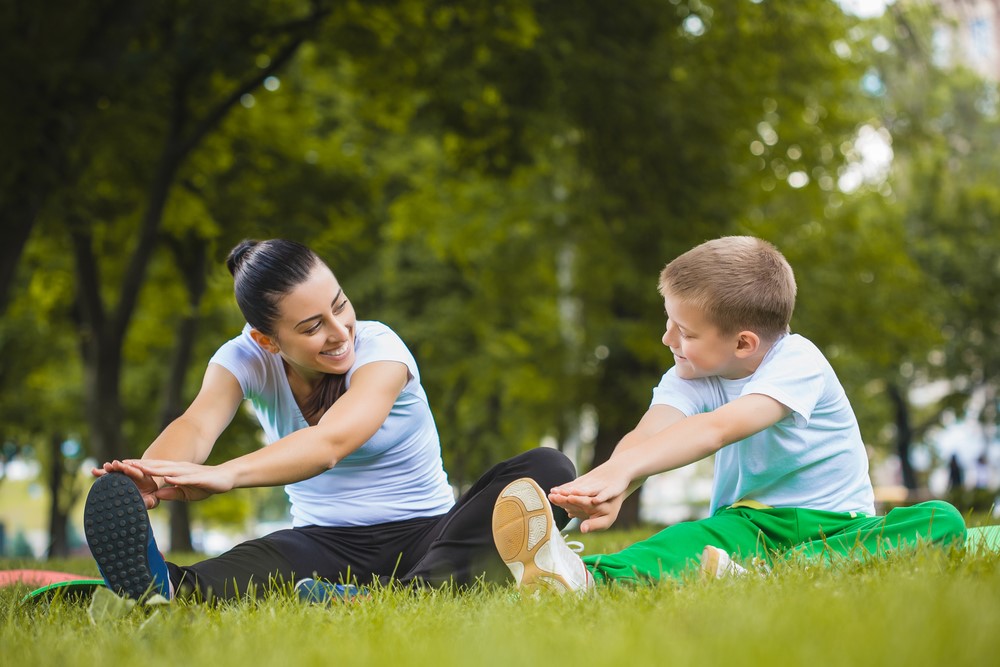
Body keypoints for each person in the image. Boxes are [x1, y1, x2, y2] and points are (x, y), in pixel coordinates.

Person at [84, 238, 575, 602]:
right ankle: (164, 587)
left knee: (550, 469)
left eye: (340, 306)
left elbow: (330, 443)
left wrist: (225, 475)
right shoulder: (244, 358)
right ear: (267, 340)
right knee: (237, 571)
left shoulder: (382, 350)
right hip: (321, 544)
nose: (340, 332)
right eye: (312, 327)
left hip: (430, 535)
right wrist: (153, 472)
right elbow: (196, 425)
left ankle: (405, 593)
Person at [491, 236, 967, 593]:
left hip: (838, 526)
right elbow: (650, 432)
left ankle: (773, 574)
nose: (668, 340)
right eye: (668, 322)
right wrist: (613, 483)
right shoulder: (690, 372)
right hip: (746, 527)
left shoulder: (799, 362)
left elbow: (718, 428)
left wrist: (625, 472)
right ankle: (577, 579)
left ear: (743, 342)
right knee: (682, 543)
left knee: (942, 520)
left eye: (685, 331)